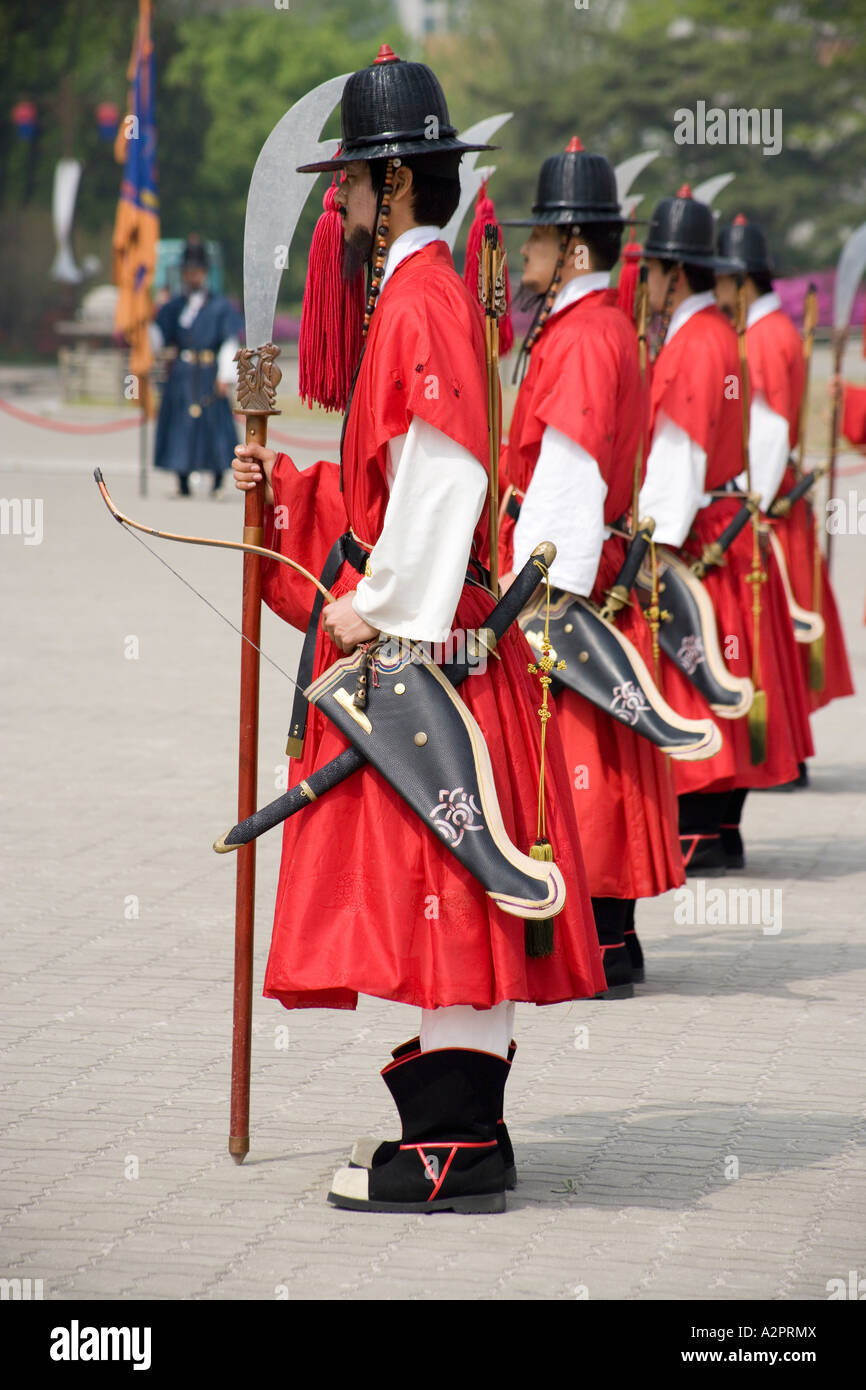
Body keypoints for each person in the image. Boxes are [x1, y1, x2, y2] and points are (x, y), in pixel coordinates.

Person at [231, 47, 604, 1214]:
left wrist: (376, 607)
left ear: (390, 184)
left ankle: (451, 1147)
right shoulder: (424, 291)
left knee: (447, 890)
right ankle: (458, 1134)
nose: (337, 205)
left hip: (433, 647)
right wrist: (280, 491)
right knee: (449, 894)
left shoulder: (423, 294)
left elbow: (440, 482)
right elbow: (394, 486)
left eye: (348, 184)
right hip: (444, 634)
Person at [497, 138, 685, 997]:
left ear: (573, 247)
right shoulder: (595, 325)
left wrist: (532, 600)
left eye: (537, 237)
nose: (522, 249)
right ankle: (611, 936)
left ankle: (601, 938)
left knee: (577, 764)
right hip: (589, 558)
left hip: (566, 571)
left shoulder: (582, 336)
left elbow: (567, 474)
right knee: (594, 763)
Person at [637, 188, 812, 874]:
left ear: (675, 274)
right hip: (726, 518)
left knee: (693, 677)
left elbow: (677, 463)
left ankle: (703, 831)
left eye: (651, 269)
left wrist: (649, 545)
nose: (646, 282)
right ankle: (720, 831)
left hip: (699, 527)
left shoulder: (692, 343)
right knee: (727, 671)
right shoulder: (721, 334)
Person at [715, 217, 853, 737]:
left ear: (742, 281)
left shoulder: (764, 336)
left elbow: (770, 430)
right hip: (773, 503)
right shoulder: (771, 330)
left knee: (773, 637)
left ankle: (781, 746)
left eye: (723, 282)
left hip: (768, 505)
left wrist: (754, 503)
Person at [152, 236, 241, 496]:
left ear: (204, 273)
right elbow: (159, 337)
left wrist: (225, 374)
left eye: (197, 271)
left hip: (208, 372)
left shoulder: (219, 306)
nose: (192, 276)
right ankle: (181, 475)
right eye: (188, 271)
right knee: (181, 422)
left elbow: (228, 340)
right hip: (182, 372)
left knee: (213, 423)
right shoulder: (173, 306)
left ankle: (216, 477)